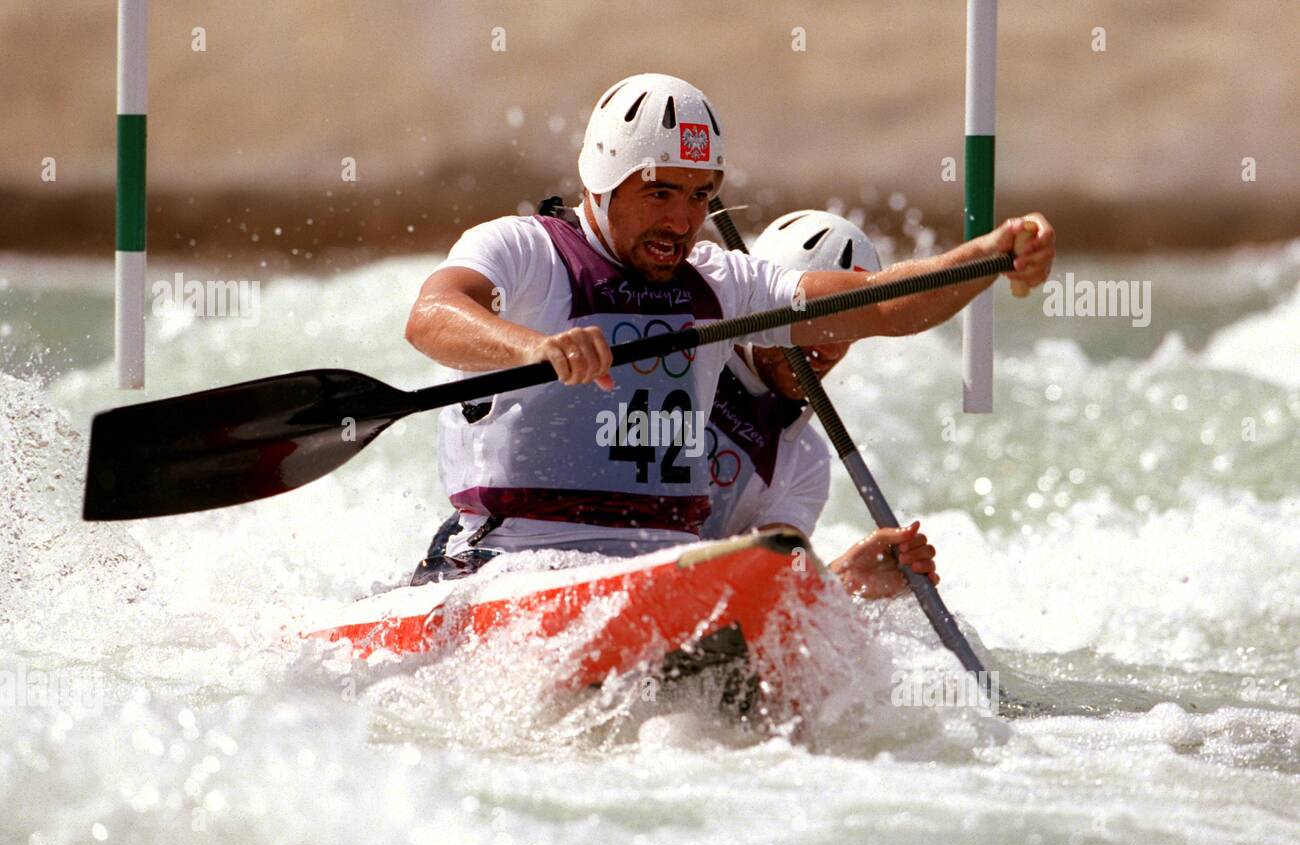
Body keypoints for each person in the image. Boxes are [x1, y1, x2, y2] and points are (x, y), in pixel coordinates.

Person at [405, 73, 1054, 579]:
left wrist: (985, 258)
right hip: (512, 565)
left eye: (699, 193)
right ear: (603, 182)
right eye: (660, 191)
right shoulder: (527, 251)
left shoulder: (725, 282)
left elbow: (879, 302)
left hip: (663, 564)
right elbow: (431, 314)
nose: (683, 220)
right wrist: (534, 344)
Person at [701, 209, 936, 599]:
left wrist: (839, 579)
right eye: (821, 320)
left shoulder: (805, 459)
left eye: (850, 327)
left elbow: (777, 579)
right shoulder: (690, 348)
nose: (831, 349)